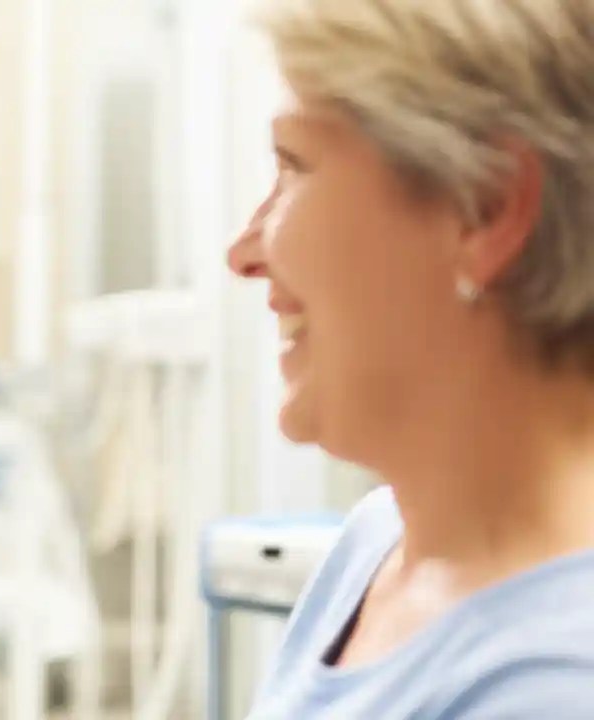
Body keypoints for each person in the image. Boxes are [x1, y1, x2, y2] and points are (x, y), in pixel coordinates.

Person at [226, 0, 594, 716]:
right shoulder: (380, 541)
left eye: (295, 166)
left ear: (485, 207)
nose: (243, 251)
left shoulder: (555, 690)